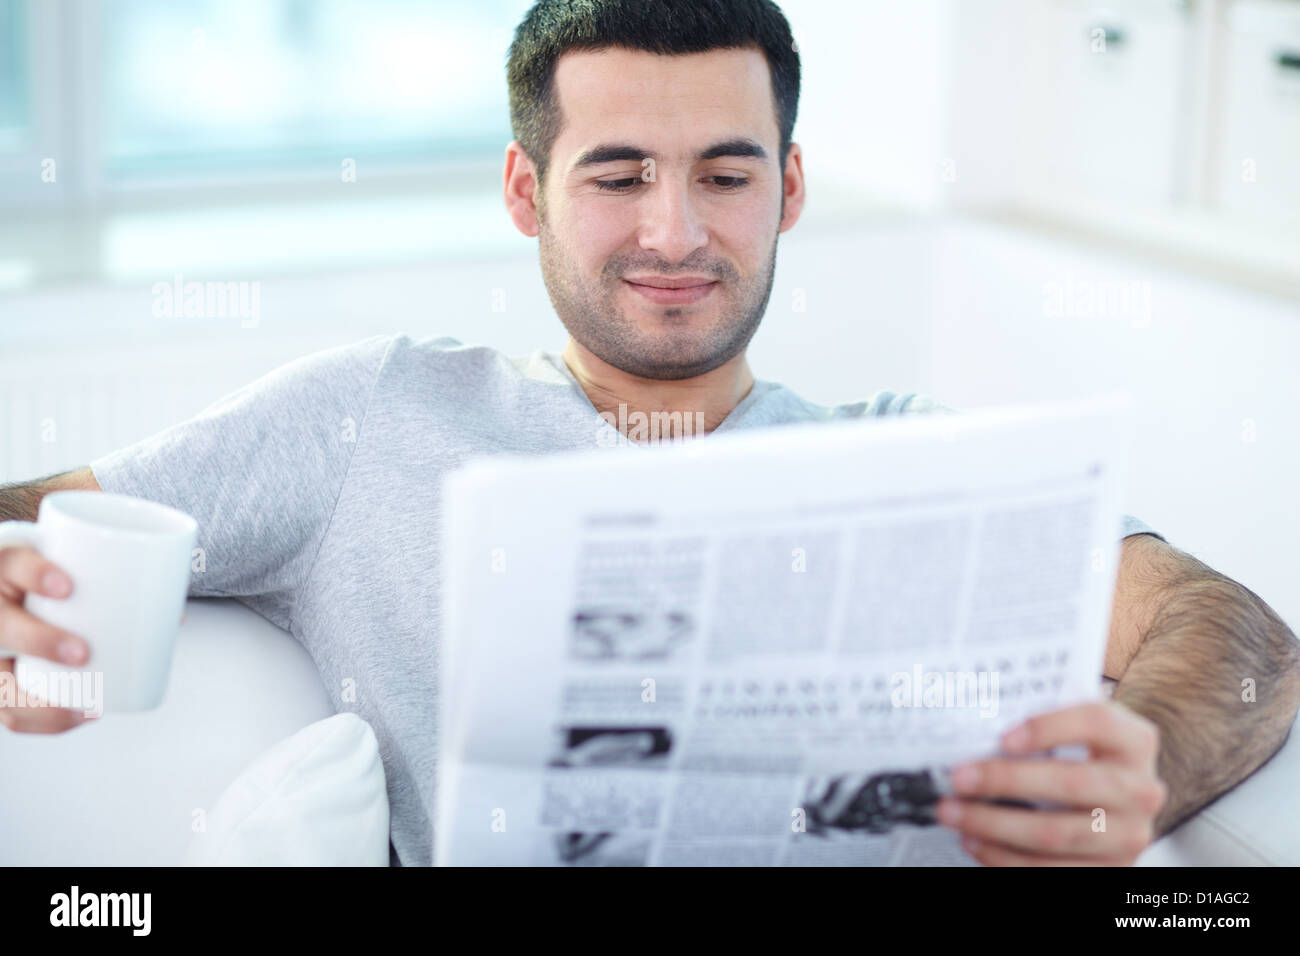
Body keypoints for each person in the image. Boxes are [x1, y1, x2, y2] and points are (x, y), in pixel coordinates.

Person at [2, 0, 1298, 867]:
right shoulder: (373, 416)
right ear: (527, 192)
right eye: (618, 176)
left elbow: (1239, 635)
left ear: (789, 189)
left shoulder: (907, 458)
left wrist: (1145, 773)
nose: (675, 234)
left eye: (726, 176)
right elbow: (34, 523)